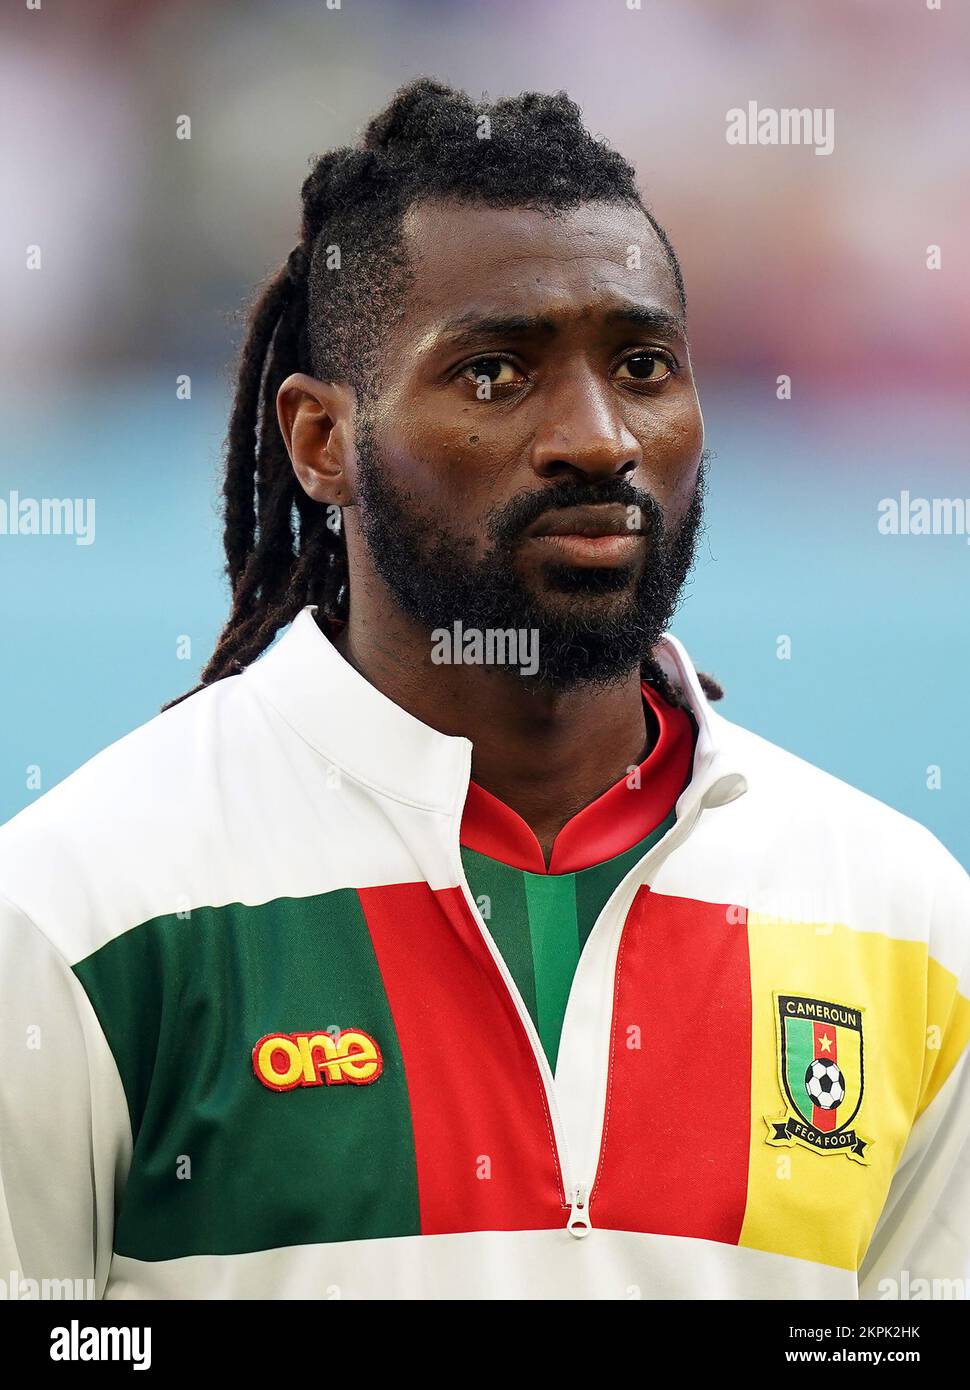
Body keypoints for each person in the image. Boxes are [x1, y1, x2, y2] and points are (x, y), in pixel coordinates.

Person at [0, 78, 967, 1301]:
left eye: (643, 363)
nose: (599, 436)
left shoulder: (904, 920)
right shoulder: (80, 911)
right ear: (317, 442)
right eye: (498, 372)